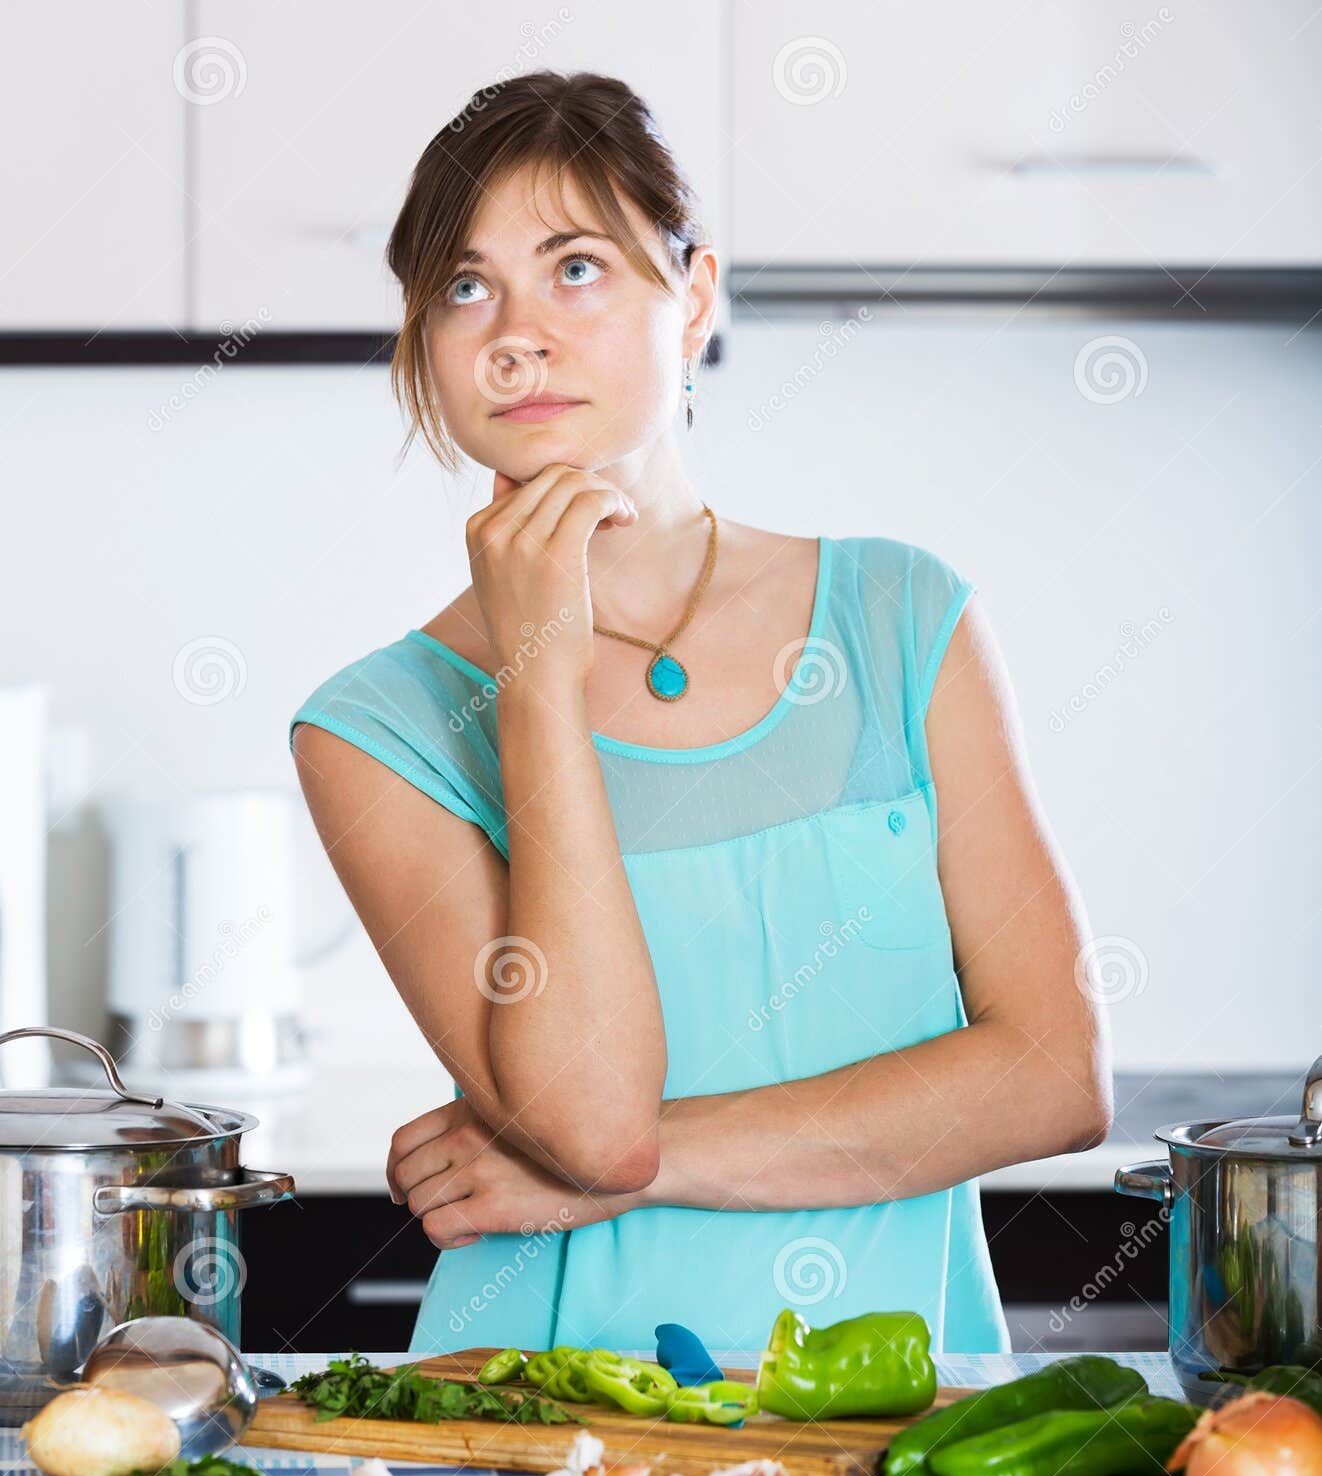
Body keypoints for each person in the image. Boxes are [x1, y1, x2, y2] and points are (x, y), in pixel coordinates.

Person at [288, 70, 1111, 1357]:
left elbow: (1053, 1080)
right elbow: (590, 1117)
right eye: (463, 286)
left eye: (575, 267)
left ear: (696, 296)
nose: (514, 333)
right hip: (546, 1444)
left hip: (901, 1433)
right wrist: (539, 676)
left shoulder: (902, 620)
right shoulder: (372, 728)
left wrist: (621, 1174)